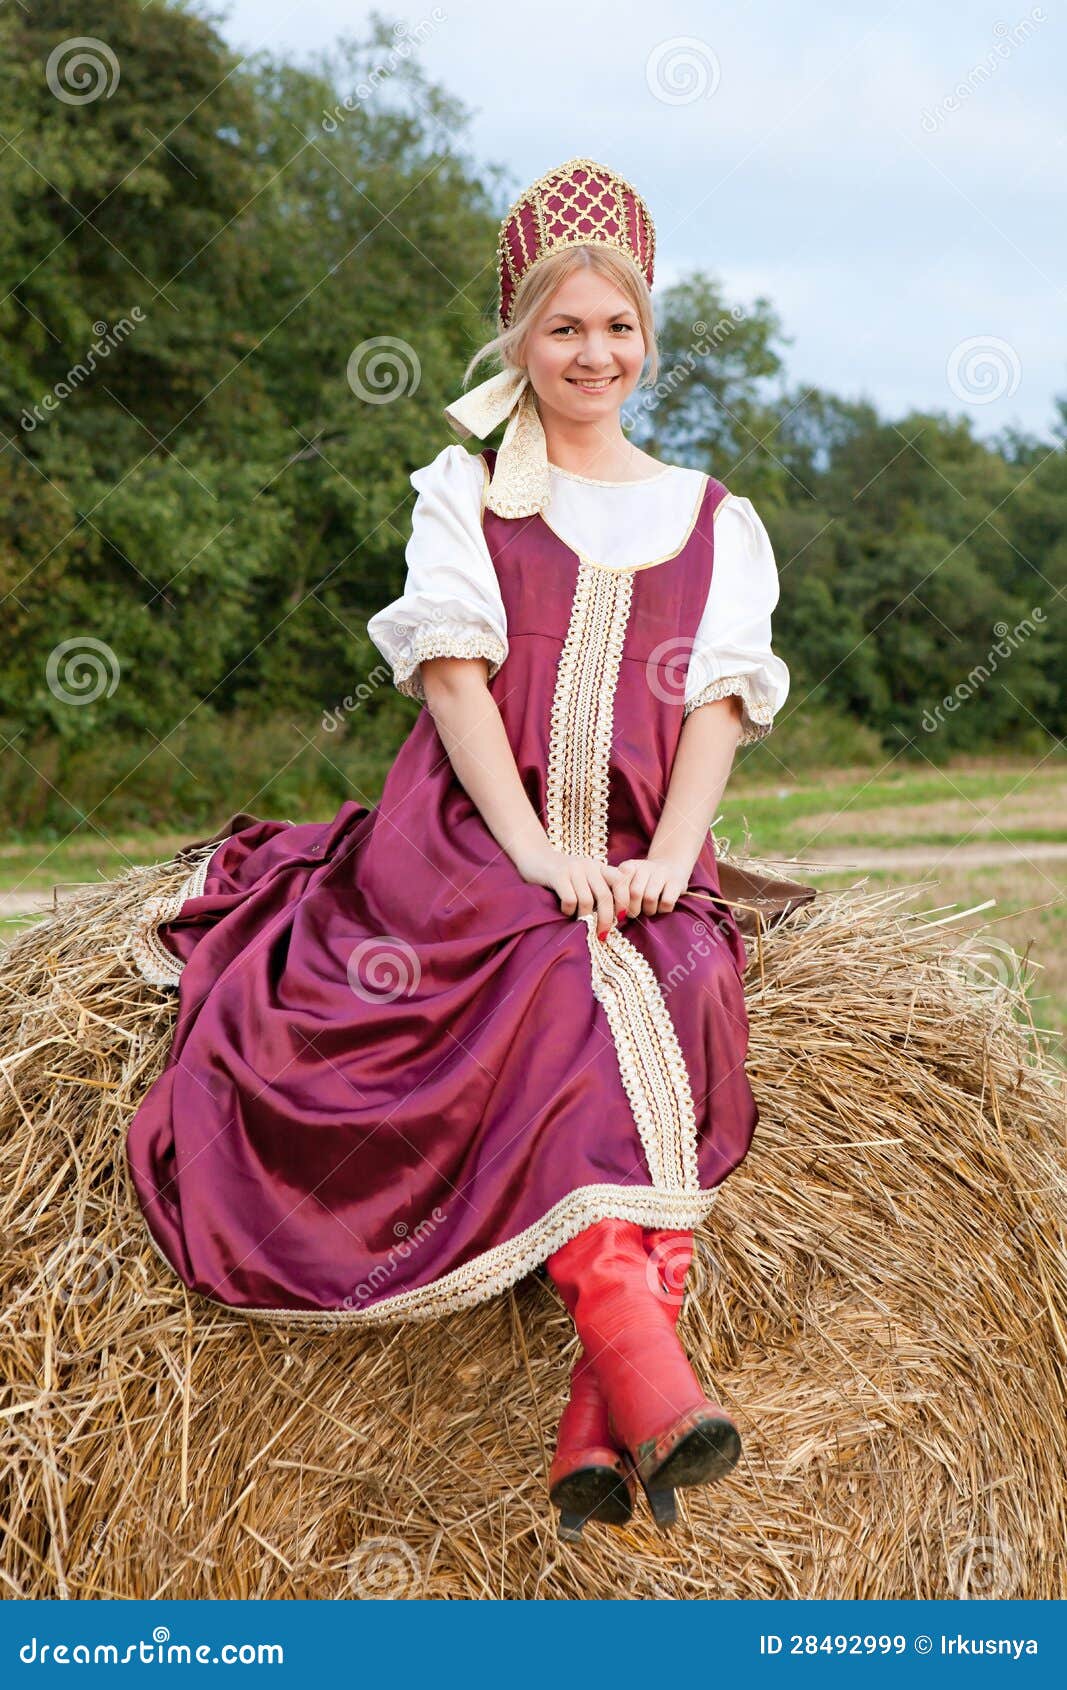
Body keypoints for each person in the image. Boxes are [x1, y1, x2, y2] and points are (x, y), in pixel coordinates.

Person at [121, 157, 793, 1542]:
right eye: (563, 328)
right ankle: (636, 1346)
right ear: (518, 338)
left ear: (648, 334)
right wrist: (540, 859)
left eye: (617, 327)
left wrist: (670, 859)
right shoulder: (466, 490)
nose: (593, 354)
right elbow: (453, 684)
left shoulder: (716, 518)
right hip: (471, 837)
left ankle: (612, 1410)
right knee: (555, 977)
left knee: (683, 984)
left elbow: (718, 711)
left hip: (641, 840)